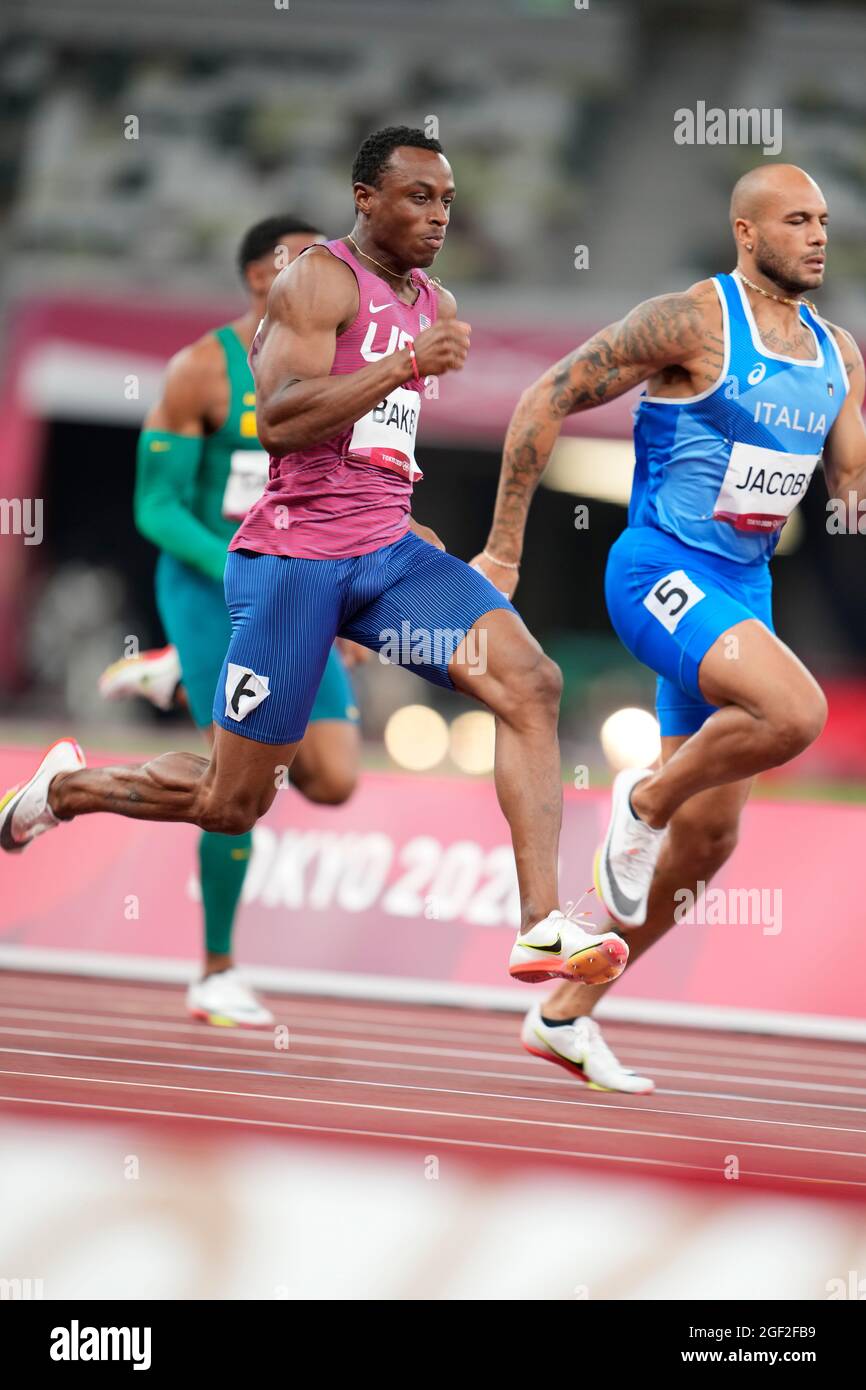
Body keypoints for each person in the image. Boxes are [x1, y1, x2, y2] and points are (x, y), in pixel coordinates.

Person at [2, 127, 628, 991]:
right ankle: (68, 791)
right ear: (365, 198)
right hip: (292, 567)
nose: (438, 215)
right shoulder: (318, 280)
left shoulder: (434, 303)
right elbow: (286, 420)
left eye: (448, 200)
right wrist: (407, 363)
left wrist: (413, 522)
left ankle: (539, 927)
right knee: (232, 801)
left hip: (386, 558)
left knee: (532, 682)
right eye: (418, 196)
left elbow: (381, 439)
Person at [474, 164, 865, 1092]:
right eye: (796, 220)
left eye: (823, 221)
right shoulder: (692, 321)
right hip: (658, 572)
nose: (817, 236)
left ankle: (564, 1013)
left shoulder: (839, 354)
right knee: (796, 714)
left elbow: (852, 494)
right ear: (745, 232)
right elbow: (547, 396)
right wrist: (502, 552)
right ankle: (642, 802)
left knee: (715, 838)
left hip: (742, 594)